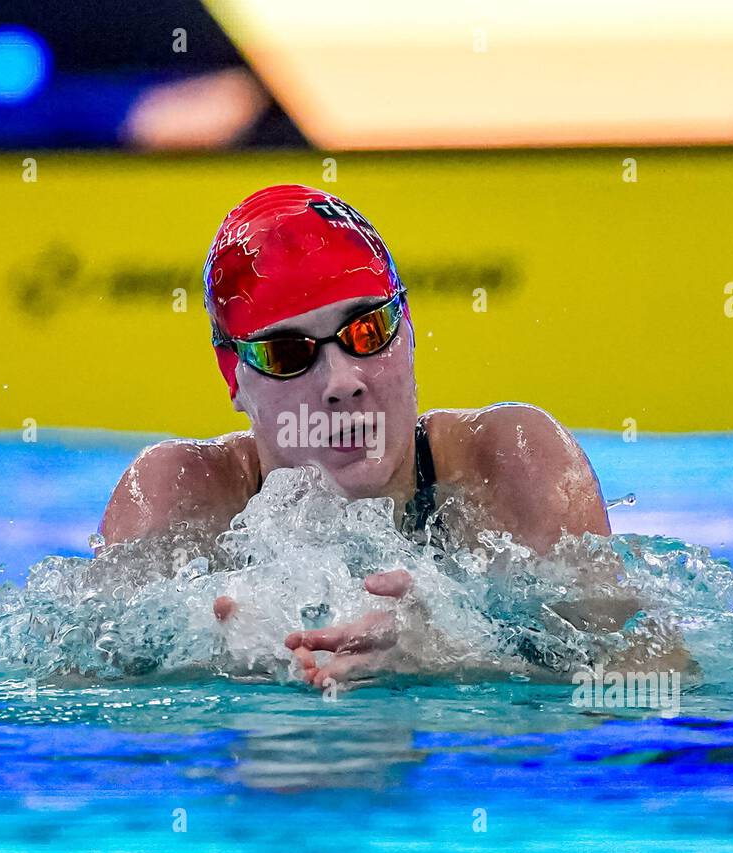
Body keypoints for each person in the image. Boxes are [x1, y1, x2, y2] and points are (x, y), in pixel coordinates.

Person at [100, 184, 627, 687]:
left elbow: (648, 670)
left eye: (367, 331)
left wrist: (453, 656)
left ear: (408, 330)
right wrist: (205, 665)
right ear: (234, 377)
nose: (342, 382)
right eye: (288, 353)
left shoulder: (512, 463)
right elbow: (79, 689)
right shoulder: (178, 497)